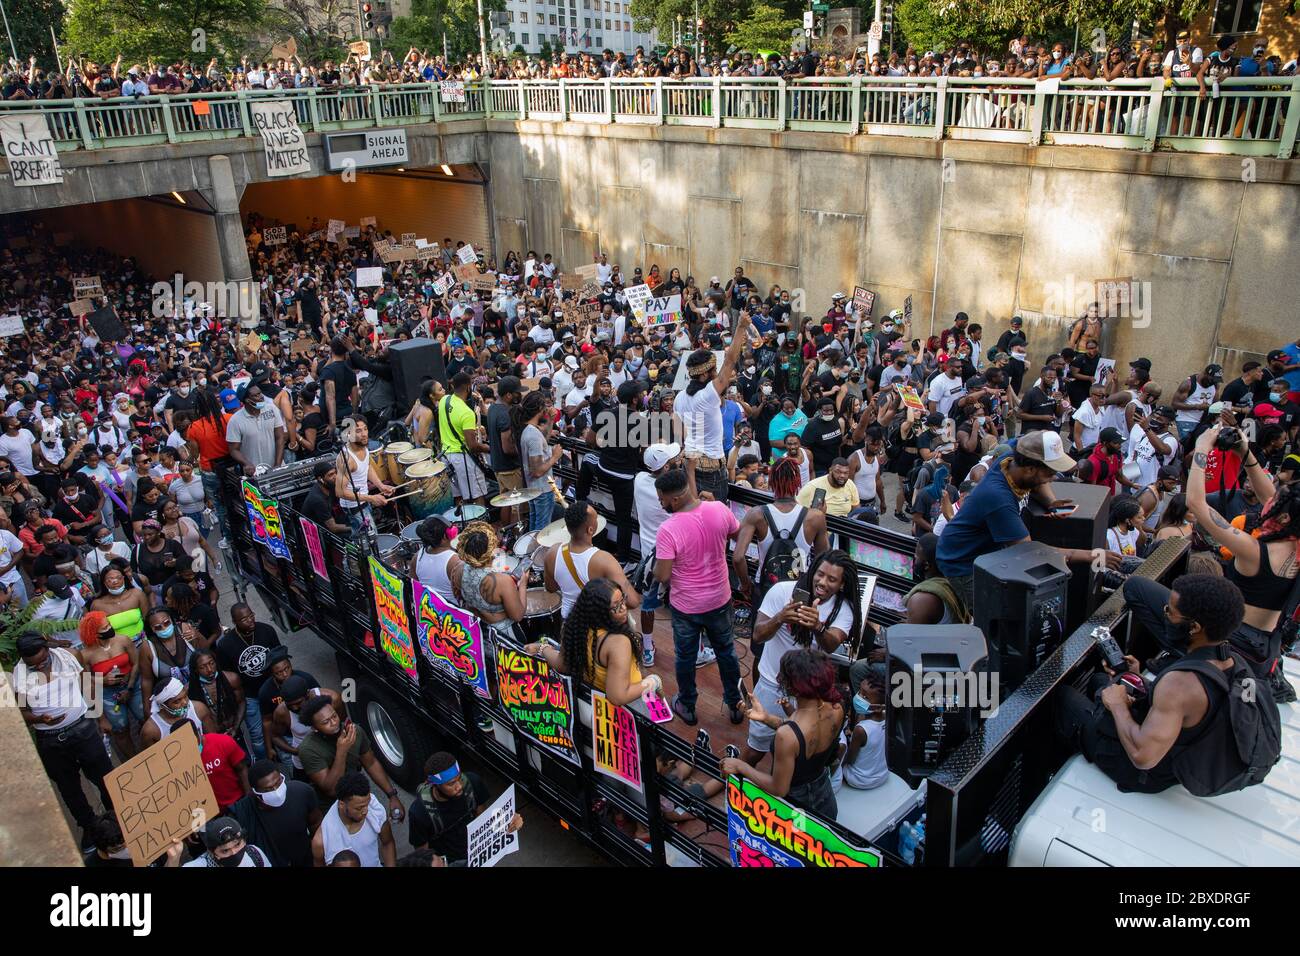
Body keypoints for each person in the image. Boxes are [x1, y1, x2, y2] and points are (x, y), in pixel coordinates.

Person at [1058, 573, 1277, 794]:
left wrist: (1117, 706)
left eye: (1169, 612)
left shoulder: (1179, 685)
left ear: (1194, 628)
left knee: (1063, 697)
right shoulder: (1231, 661)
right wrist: (1139, 679)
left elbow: (1143, 757)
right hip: (1176, 753)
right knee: (1099, 680)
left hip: (1143, 773)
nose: (1164, 614)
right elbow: (1195, 710)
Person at [936, 430, 1123, 610]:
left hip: (989, 549)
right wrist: (1092, 555)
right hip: (963, 563)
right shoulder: (998, 499)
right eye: (1049, 473)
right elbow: (1031, 552)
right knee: (996, 616)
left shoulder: (1010, 459)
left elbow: (1038, 482)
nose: (1052, 478)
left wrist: (1051, 502)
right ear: (1031, 469)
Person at [1186, 425, 1299, 682]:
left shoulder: (1254, 550)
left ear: (1283, 516)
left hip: (1233, 640)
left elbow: (1195, 503)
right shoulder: (1293, 537)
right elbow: (1270, 496)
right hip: (1264, 645)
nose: (1271, 496)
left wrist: (1202, 448)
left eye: (1279, 497)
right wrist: (1245, 453)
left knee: (1139, 588)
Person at [741, 550, 859, 768]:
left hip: (810, 693)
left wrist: (818, 627)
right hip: (772, 685)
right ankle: (735, 777)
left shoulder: (843, 609)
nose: (822, 582)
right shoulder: (782, 591)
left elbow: (831, 644)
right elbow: (757, 635)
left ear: (842, 584)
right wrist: (780, 618)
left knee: (796, 751)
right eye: (820, 574)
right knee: (755, 750)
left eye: (832, 579)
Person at [653, 467, 744, 725]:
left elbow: (662, 575)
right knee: (726, 651)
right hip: (720, 598)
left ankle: (688, 705)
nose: (661, 503)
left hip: (687, 606)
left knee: (686, 656)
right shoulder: (718, 509)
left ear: (676, 498)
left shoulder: (668, 529)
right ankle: (736, 704)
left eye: (663, 498)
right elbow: (737, 533)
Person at [13, 632, 115, 850]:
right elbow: (22, 711)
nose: (40, 667)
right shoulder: (19, 675)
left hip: (84, 730)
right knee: (70, 791)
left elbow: (88, 687)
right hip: (51, 742)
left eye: (43, 661)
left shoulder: (69, 656)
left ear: (48, 650)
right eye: (34, 665)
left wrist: (101, 717)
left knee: (106, 779)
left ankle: (116, 820)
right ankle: (91, 829)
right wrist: (39, 719)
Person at [722, 647, 844, 820]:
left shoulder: (786, 735)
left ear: (792, 687)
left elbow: (779, 788)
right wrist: (765, 717)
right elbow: (804, 734)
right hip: (824, 796)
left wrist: (740, 766)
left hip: (795, 811)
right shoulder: (836, 707)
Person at [527, 577, 658, 706]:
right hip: (627, 707)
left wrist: (542, 648)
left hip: (594, 702)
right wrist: (653, 681)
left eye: (623, 600)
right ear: (599, 612)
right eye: (616, 606)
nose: (624, 608)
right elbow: (618, 697)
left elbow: (562, 664)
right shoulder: (618, 643)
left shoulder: (575, 627)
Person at [675, 312, 751, 501]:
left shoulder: (679, 398)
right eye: (713, 371)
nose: (717, 374)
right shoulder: (707, 395)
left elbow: (680, 433)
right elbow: (730, 361)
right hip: (711, 475)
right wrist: (740, 327)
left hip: (691, 466)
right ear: (703, 375)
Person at [296, 695, 404, 818]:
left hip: (358, 796)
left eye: (334, 716)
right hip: (332, 804)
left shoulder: (354, 731)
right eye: (326, 722)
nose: (334, 723)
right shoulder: (308, 750)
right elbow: (331, 790)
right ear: (314, 728)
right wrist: (342, 751)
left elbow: (371, 763)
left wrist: (392, 795)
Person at [408, 752, 523, 863]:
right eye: (451, 784)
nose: (459, 786)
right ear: (434, 784)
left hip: (475, 853)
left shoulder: (472, 783)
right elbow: (423, 856)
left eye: (459, 778)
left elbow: (483, 821)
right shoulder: (420, 812)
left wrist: (508, 821)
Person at [543, 500, 640, 620]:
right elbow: (633, 601)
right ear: (590, 530)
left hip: (568, 623)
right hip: (596, 627)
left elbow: (550, 588)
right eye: (596, 519)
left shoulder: (552, 553)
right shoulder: (604, 560)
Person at [214, 603, 283, 760]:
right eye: (244, 619)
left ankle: (282, 753)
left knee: (281, 725)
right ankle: (266, 765)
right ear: (234, 621)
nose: (250, 621)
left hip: (273, 689)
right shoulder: (225, 645)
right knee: (257, 735)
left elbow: (280, 657)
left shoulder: (266, 630)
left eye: (251, 615)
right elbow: (227, 675)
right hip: (250, 696)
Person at [228, 758, 322, 868]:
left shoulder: (302, 792)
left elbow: (316, 823)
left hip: (305, 859)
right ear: (256, 793)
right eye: (268, 789)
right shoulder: (242, 813)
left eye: (278, 783)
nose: (276, 790)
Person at [72, 611, 141, 758]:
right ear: (93, 633)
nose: (110, 628)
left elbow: (136, 663)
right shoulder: (86, 655)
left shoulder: (123, 640)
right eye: (105, 627)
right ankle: (135, 760)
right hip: (108, 694)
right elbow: (84, 680)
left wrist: (129, 687)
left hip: (132, 686)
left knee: (144, 715)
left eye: (109, 624)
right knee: (120, 729)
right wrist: (102, 680)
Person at [313, 770, 396, 867]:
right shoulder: (322, 841)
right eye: (359, 808)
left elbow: (387, 843)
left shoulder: (375, 809)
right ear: (342, 804)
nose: (366, 811)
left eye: (367, 804)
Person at [268, 674, 343, 780]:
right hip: (304, 762)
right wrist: (296, 751)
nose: (294, 708)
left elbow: (342, 724)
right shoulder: (282, 712)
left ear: (308, 694)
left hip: (334, 755)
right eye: (290, 705)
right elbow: (275, 736)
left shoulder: (332, 699)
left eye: (298, 703)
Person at [334, 417, 393, 539]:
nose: (364, 434)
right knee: (369, 541)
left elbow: (367, 467)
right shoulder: (346, 459)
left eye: (365, 429)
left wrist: (380, 486)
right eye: (359, 431)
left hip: (363, 501)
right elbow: (339, 491)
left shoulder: (363, 445)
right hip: (354, 508)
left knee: (367, 540)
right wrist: (371, 498)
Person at [513, 390, 564, 531]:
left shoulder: (530, 430)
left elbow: (543, 441)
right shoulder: (532, 435)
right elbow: (536, 471)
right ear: (540, 409)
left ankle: (532, 553)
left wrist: (551, 420)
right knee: (542, 530)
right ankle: (538, 553)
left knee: (535, 527)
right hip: (542, 490)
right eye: (545, 405)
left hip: (536, 489)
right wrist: (555, 457)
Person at [840, 672, 889, 790]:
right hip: (882, 775)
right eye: (860, 692)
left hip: (860, 780)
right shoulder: (887, 718)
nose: (858, 697)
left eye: (865, 697)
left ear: (879, 707)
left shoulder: (861, 730)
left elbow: (850, 760)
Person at [225, 383, 286, 475]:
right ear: (247, 400)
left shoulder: (272, 409)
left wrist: (277, 465)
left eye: (260, 393)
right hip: (255, 472)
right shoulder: (235, 420)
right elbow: (234, 450)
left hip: (277, 467)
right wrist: (246, 463)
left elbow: (280, 437)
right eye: (255, 395)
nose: (261, 397)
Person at [174, 816, 272, 868]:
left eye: (237, 844)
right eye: (225, 851)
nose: (234, 853)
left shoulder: (254, 853)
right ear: (212, 852)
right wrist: (173, 858)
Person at [413, 515, 460, 605]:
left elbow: (414, 585)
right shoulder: (453, 560)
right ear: (444, 537)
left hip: (430, 609)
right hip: (451, 611)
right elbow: (464, 593)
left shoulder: (417, 557)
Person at [299, 459, 350, 536]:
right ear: (320, 479)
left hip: (332, 519)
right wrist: (354, 527)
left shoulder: (330, 485)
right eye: (330, 475)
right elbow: (333, 528)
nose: (335, 476)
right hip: (319, 533)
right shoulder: (317, 499)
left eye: (335, 473)